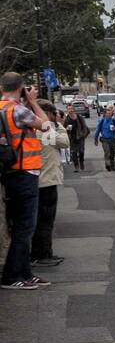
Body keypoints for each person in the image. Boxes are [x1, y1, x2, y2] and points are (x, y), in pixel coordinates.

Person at [1, 72, 52, 290]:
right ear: (21, 88)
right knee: (25, 227)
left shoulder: (2, 107)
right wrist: (31, 101)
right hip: (25, 172)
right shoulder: (18, 110)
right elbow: (46, 125)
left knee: (20, 226)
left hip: (9, 171)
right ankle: (13, 276)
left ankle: (25, 274)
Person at [31, 100, 69, 267]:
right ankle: (42, 255)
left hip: (41, 180)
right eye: (53, 114)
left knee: (43, 220)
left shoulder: (38, 131)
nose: (56, 117)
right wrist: (59, 125)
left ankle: (44, 253)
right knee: (45, 220)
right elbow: (64, 142)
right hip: (45, 182)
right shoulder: (44, 132)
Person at [94, 104, 115, 171]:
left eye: (109, 113)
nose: (108, 115)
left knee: (112, 153)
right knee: (107, 152)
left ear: (111, 114)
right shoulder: (102, 121)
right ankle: (107, 165)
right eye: (107, 113)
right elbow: (97, 130)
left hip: (112, 140)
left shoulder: (114, 121)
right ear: (105, 114)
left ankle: (112, 166)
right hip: (104, 139)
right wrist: (95, 139)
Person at [66, 107, 88, 171]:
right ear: (67, 110)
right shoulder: (67, 119)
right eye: (69, 109)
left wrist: (83, 135)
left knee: (81, 151)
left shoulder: (79, 117)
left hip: (80, 137)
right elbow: (64, 127)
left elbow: (84, 126)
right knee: (74, 153)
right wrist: (67, 129)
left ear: (74, 110)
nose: (71, 110)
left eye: (71, 109)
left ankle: (81, 162)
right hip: (72, 138)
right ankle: (76, 166)